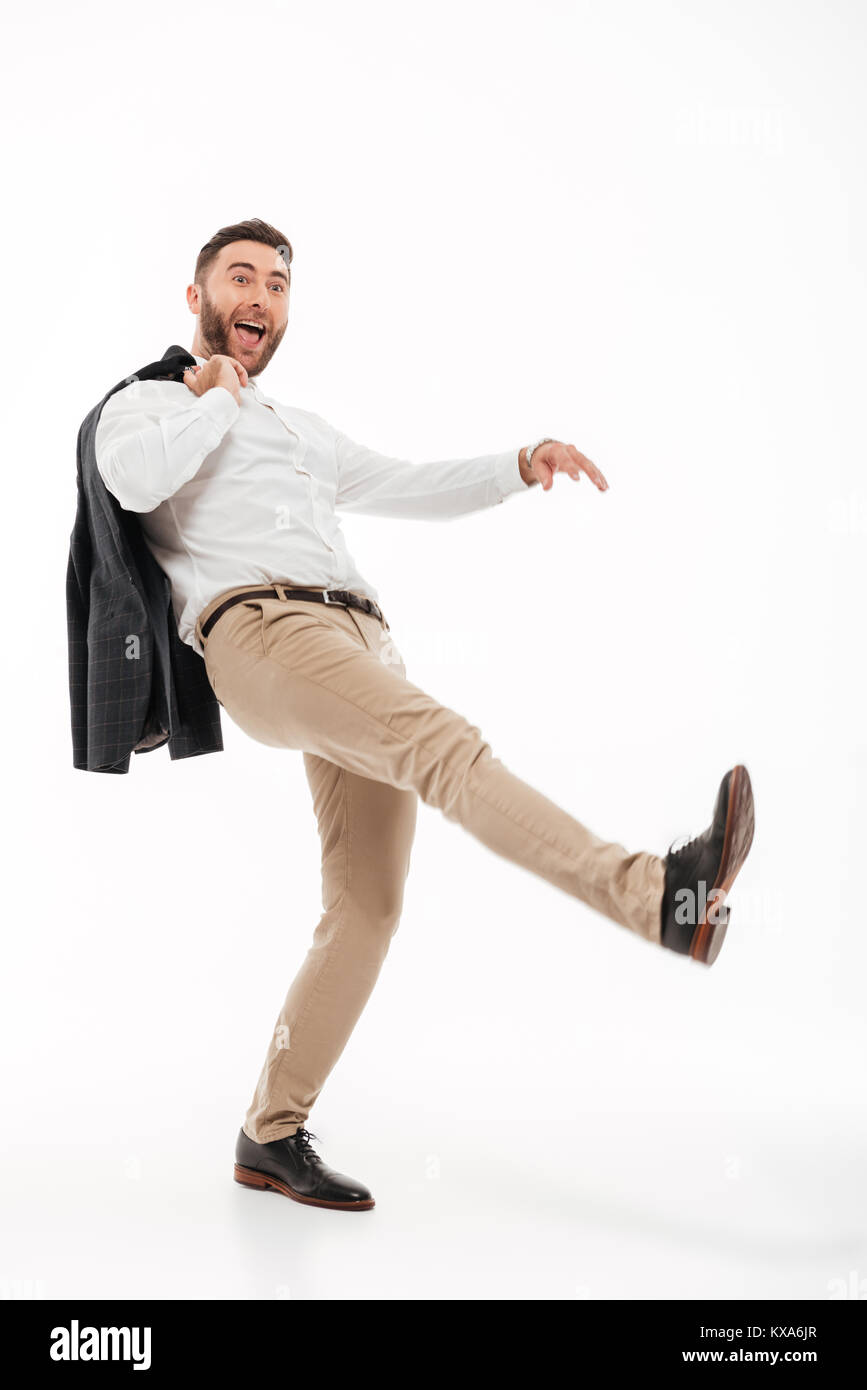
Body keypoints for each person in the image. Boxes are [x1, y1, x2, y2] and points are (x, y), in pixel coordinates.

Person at [94, 217, 755, 1212]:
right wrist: (212, 396)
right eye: (241, 278)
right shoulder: (145, 404)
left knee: (367, 904)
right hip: (262, 634)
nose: (262, 299)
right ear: (197, 298)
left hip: (358, 638)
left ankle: (267, 1133)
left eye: (278, 284)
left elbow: (403, 483)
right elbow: (133, 482)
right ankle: (659, 894)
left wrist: (518, 462)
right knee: (446, 748)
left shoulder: (301, 429)